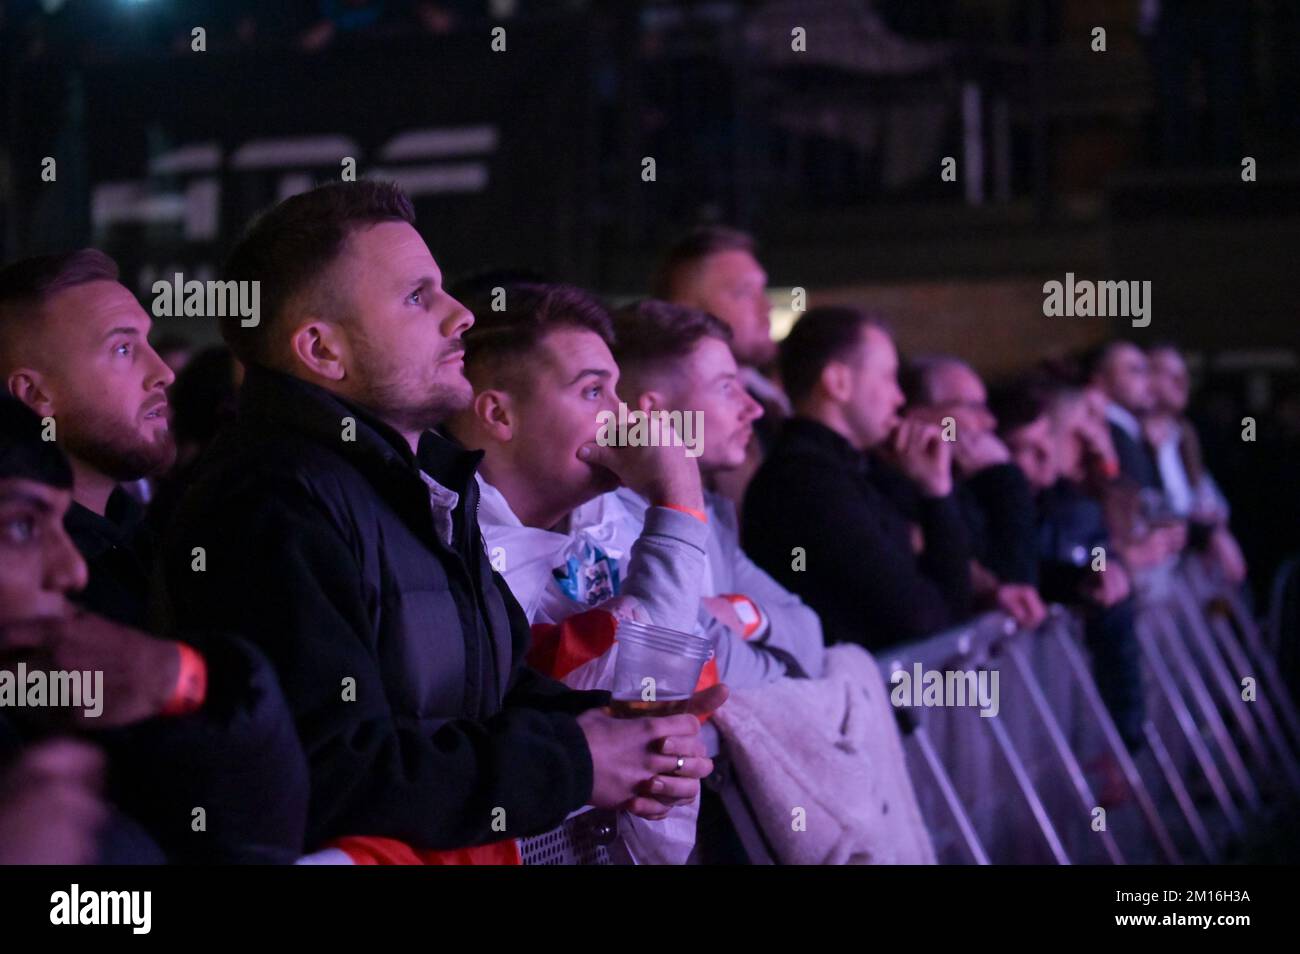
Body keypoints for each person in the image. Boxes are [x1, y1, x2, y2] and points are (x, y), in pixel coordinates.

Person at [160, 181, 720, 863]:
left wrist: (615, 733)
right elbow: (332, 769)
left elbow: (491, 686)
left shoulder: (410, 483)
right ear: (322, 350)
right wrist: (576, 759)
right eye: (418, 297)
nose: (459, 317)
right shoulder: (268, 502)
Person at [0, 395, 308, 862]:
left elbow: (254, 848)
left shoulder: (50, 691)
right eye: (21, 528)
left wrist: (185, 681)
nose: (71, 571)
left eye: (62, 526)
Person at [743, 306, 972, 649]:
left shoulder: (848, 472)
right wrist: (937, 497)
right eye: (888, 377)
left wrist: (933, 488)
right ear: (838, 382)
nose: (899, 397)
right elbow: (923, 618)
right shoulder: (807, 482)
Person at [902, 355, 1046, 630]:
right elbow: (1012, 580)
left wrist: (1082, 577)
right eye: (973, 408)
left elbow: (1024, 579)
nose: (989, 422)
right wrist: (1004, 478)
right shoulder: (907, 495)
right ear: (920, 416)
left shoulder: (964, 486)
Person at [654, 226, 787, 506]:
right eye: (745, 293)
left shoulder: (774, 409)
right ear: (686, 311)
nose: (767, 307)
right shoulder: (672, 430)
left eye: (763, 290)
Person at [1145, 343, 1247, 584]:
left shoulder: (1184, 433)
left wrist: (1217, 530)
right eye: (1169, 374)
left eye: (1184, 375)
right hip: (1164, 568)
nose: (1181, 382)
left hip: (1197, 560)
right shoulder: (1138, 435)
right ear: (1147, 378)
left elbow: (1209, 500)